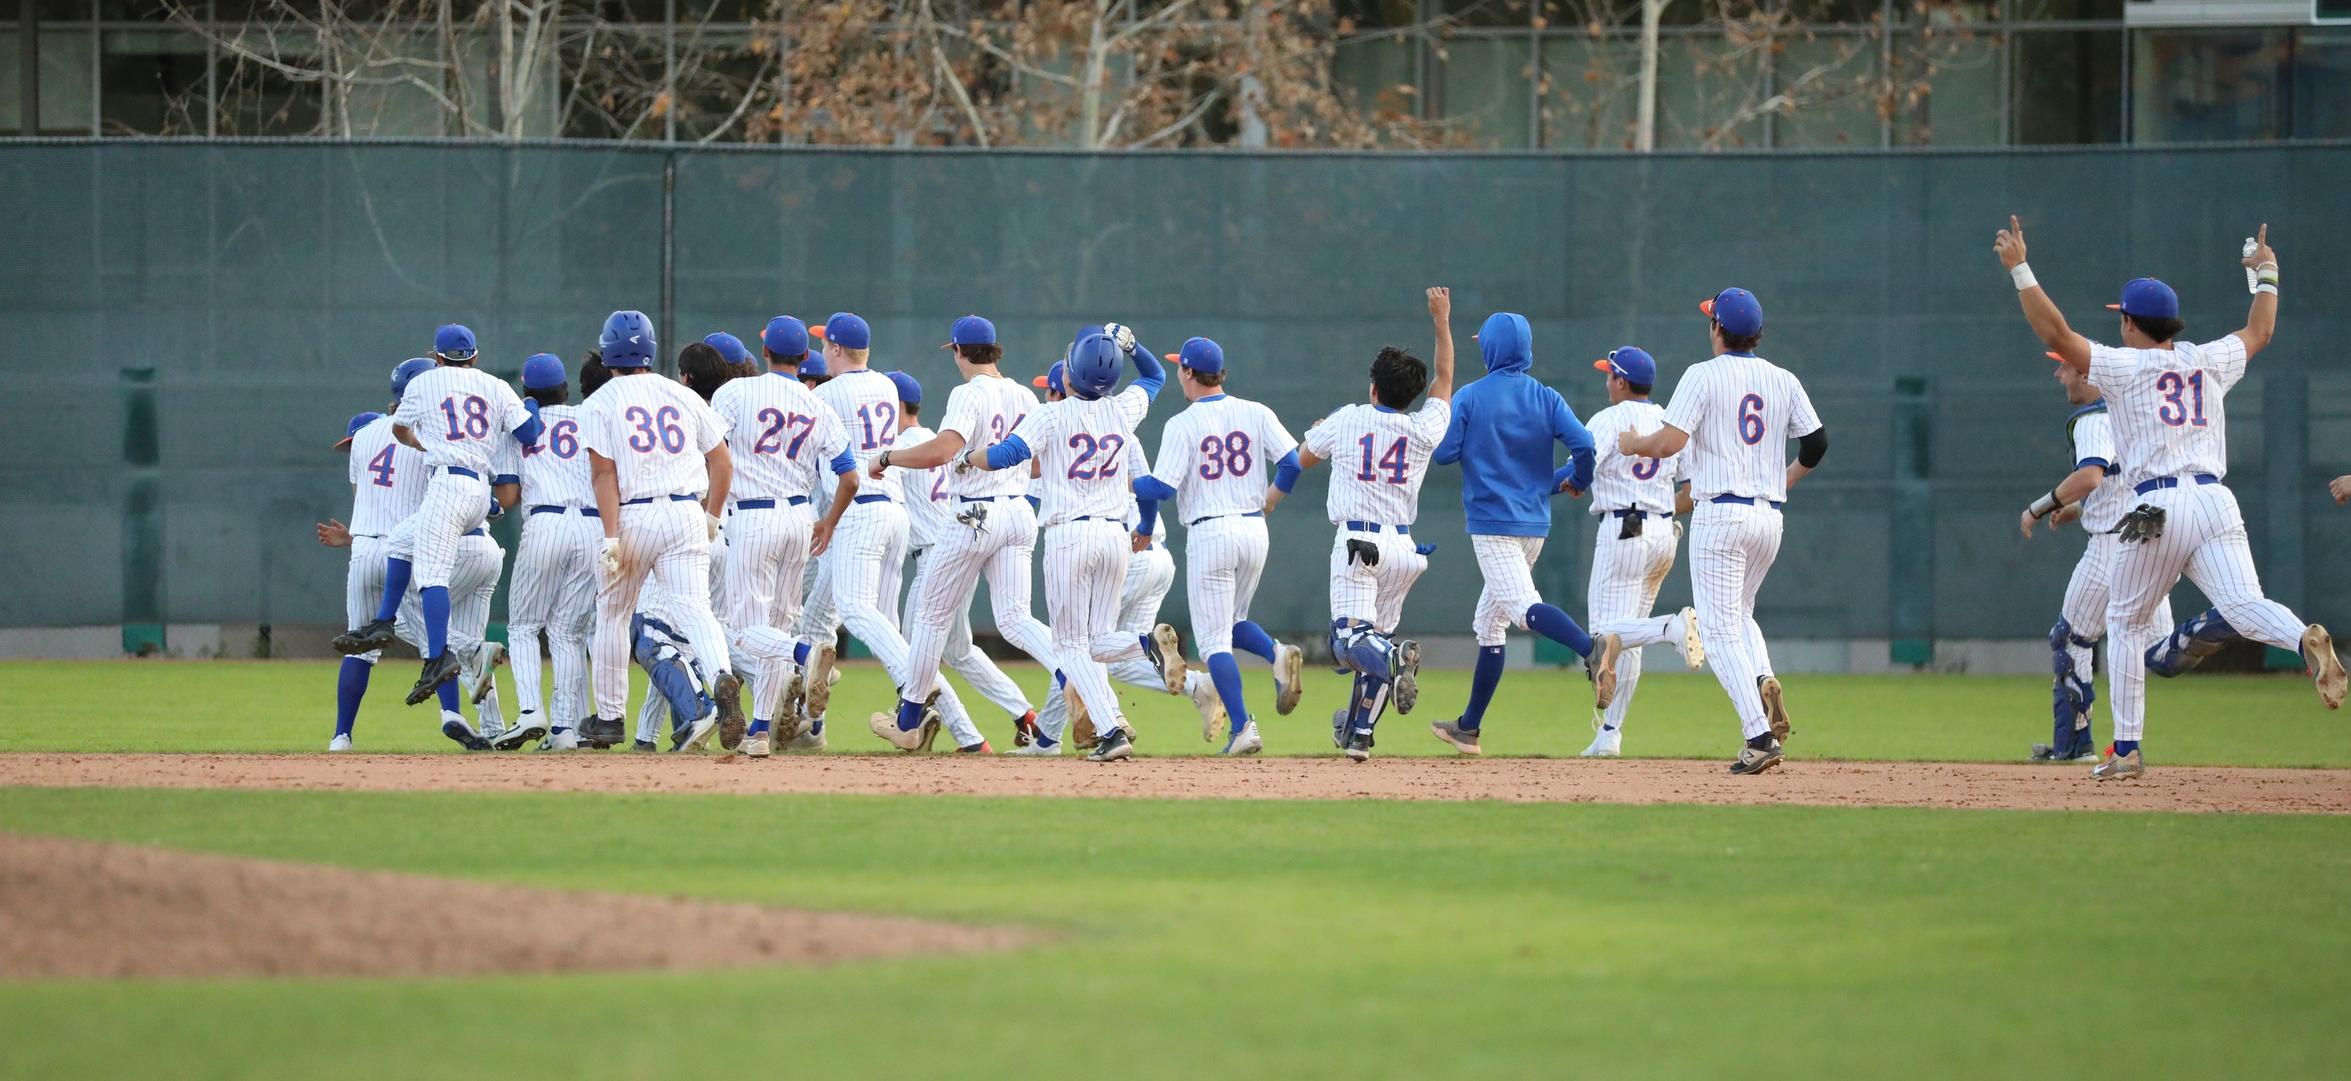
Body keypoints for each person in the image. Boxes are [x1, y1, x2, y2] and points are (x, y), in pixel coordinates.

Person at [1993, 217, 2343, 779]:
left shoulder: (2125, 367)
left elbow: (2056, 336)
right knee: (2243, 605)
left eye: (2123, 318)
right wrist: (2266, 273)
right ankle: (2302, 635)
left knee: (2127, 623)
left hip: (2155, 507)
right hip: (2215, 500)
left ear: (2131, 323)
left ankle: (2126, 751)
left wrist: (2019, 268)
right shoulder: (2208, 358)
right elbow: (2260, 333)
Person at [1619, 289, 1826, 775]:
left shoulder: (1702, 375)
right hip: (1768, 518)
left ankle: (1758, 736)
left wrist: (1633, 444)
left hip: (1722, 516)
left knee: (1716, 628)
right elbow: (1816, 442)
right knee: (1741, 613)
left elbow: (1669, 443)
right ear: (1757, 334)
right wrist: (1787, 479)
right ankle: (1764, 677)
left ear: (1717, 329)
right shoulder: (1783, 379)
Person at [960, 328, 1169, 762]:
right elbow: (1155, 377)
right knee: (1092, 643)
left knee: (1069, 646)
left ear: (1070, 374)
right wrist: (1131, 347)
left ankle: (1111, 730)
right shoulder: (1123, 410)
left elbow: (1002, 457)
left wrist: (969, 457)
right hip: (1116, 533)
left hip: (1069, 535)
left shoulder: (1051, 415)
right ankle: (1144, 646)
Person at [1425, 310, 1616, 757]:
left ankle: (1592, 649)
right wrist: (1579, 479)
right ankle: (1468, 728)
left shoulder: (1471, 397)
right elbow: (1584, 445)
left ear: (1490, 350)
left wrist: (1473, 439)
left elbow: (1445, 454)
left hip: (1492, 526)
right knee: (1488, 623)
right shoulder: (1545, 396)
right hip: (1535, 524)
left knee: (1518, 608)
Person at [333, 325, 544, 723]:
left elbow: (399, 429)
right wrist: (530, 404)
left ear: (439, 356)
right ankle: (488, 720)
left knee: (431, 579)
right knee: (399, 542)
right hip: (480, 491)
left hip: (448, 484)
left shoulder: (425, 385)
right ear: (475, 356)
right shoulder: (495, 386)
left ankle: (439, 657)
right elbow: (530, 432)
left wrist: (421, 442)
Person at [1282, 286, 1457, 761]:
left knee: (1349, 641)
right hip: (1404, 551)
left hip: (1359, 544)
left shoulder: (1349, 418)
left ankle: (1394, 660)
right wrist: (1441, 321)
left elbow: (1301, 458)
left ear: (1373, 387)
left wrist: (1323, 433)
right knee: (1372, 640)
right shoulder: (1424, 428)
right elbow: (1444, 377)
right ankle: (1358, 733)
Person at [867, 316, 1058, 749]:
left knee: (930, 616)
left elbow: (944, 449)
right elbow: (1038, 462)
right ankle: (1072, 675)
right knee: (1016, 618)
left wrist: (888, 457)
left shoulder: (968, 392)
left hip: (974, 516)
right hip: (1017, 512)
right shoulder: (1025, 395)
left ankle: (909, 718)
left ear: (958, 351)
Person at [1024, 360, 1224, 756]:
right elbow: (1147, 488)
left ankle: (1080, 729)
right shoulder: (1121, 426)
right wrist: (1147, 530)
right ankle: (1194, 686)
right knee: (1106, 652)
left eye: (1050, 388)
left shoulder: (1051, 430)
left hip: (1105, 549)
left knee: (1075, 645)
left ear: (1063, 391)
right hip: (1147, 552)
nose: (1045, 394)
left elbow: (1029, 497)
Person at [578, 310, 746, 752]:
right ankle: (720, 677)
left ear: (609, 350)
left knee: (614, 614)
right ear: (650, 350)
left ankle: (610, 718)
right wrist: (711, 516)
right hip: (686, 512)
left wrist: (611, 536)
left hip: (634, 515)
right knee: (695, 609)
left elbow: (603, 476)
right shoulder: (681, 393)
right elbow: (723, 461)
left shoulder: (599, 402)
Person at [1133, 335, 1298, 756]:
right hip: (1253, 528)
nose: (1178, 375)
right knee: (1232, 622)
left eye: (1179, 368)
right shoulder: (1255, 411)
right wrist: (1272, 496)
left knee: (1213, 644)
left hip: (1212, 533)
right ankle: (1277, 654)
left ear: (1189, 373)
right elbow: (1293, 462)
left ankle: (1243, 726)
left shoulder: (1182, 423)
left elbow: (1162, 488)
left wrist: (1121, 479)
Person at [705, 316, 857, 758]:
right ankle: (758, 730)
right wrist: (828, 521)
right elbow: (849, 477)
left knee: (746, 631)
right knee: (776, 626)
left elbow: (712, 451)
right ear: (804, 357)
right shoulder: (817, 404)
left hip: (752, 517)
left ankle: (807, 654)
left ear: (765, 352)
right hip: (800, 519)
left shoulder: (735, 392)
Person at [2015, 350, 2170, 763]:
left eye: (2063, 367)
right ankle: (2228, 621)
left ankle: (2073, 747)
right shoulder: (2130, 411)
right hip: (2147, 538)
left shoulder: (2091, 418)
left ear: (2085, 372)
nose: (2057, 373)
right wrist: (2080, 509)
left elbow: (2090, 474)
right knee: (2162, 651)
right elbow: (2121, 481)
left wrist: (2040, 506)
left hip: (2110, 544)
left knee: (2070, 640)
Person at [1569, 346, 1708, 758]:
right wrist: (1660, 510)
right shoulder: (1669, 422)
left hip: (1624, 531)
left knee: (1603, 636)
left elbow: (1582, 465)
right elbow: (1693, 491)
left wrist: (1558, 482)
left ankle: (1672, 628)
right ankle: (1611, 733)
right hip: (1665, 533)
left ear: (1621, 381)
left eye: (1609, 375)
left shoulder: (1609, 420)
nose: (1606, 381)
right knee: (1626, 637)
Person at [884, 367, 1026, 753]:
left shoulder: (910, 450)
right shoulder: (933, 438)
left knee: (917, 655)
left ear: (897, 405)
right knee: (959, 652)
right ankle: (1024, 714)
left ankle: (962, 736)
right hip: (957, 544)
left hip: (942, 556)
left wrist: (884, 458)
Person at [317, 361, 429, 751]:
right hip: (406, 552)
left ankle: (340, 737)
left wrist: (355, 539)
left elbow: (363, 501)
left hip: (364, 549)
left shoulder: (365, 438)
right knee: (440, 645)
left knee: (361, 649)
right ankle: (457, 719)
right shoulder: (427, 436)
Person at [506, 352, 601, 752]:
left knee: (524, 627)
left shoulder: (519, 427)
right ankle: (566, 729)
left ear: (527, 391)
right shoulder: (589, 416)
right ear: (565, 390)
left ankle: (531, 711)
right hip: (593, 525)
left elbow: (509, 494)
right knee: (568, 633)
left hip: (546, 521)